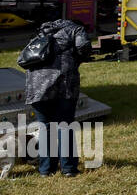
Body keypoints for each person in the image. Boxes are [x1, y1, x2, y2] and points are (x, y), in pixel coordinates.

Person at [23, 18, 92, 176]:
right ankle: (68, 169)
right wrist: (77, 59)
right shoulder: (75, 29)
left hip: (36, 87)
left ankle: (46, 169)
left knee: (46, 127)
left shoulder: (41, 32)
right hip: (63, 85)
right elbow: (83, 46)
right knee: (64, 125)